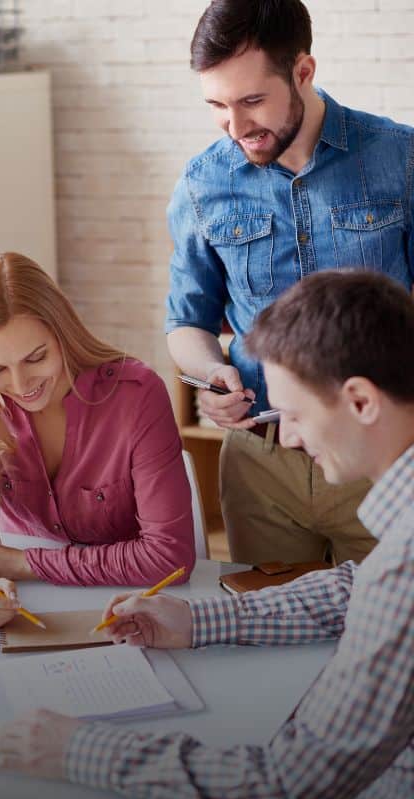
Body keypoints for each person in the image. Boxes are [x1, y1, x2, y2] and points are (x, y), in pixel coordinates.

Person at [0, 269, 414, 799]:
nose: (286, 442)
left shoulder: (403, 570)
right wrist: (202, 620)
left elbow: (283, 796)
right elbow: (357, 587)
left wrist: (75, 749)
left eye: (296, 416)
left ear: (360, 400)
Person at [165, 0, 414, 565]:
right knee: (265, 627)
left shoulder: (400, 159)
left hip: (378, 462)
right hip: (262, 463)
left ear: (303, 72)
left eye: (252, 100)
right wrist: (211, 375)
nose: (236, 126)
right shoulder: (203, 184)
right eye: (217, 105)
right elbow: (186, 322)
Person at [0, 252, 195, 628]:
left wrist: (23, 562)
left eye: (36, 358)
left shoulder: (137, 396)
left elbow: (169, 558)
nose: (20, 384)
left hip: (128, 607)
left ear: (61, 333)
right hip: (29, 610)